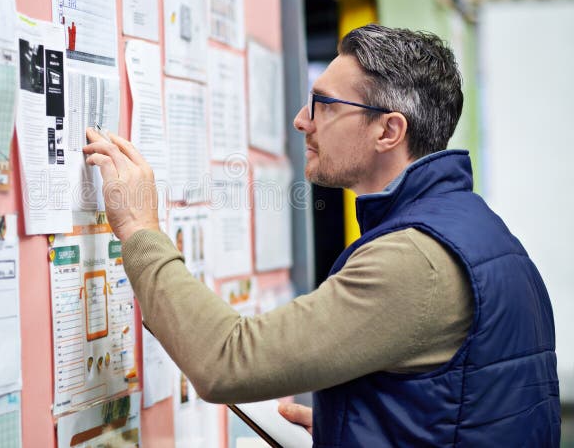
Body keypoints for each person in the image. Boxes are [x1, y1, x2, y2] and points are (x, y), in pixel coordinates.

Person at [82, 24, 560, 446]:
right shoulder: (481, 233)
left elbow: (226, 360)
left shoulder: (415, 260)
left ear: (388, 131)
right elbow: (473, 406)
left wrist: (140, 229)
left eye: (324, 104)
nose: (302, 120)